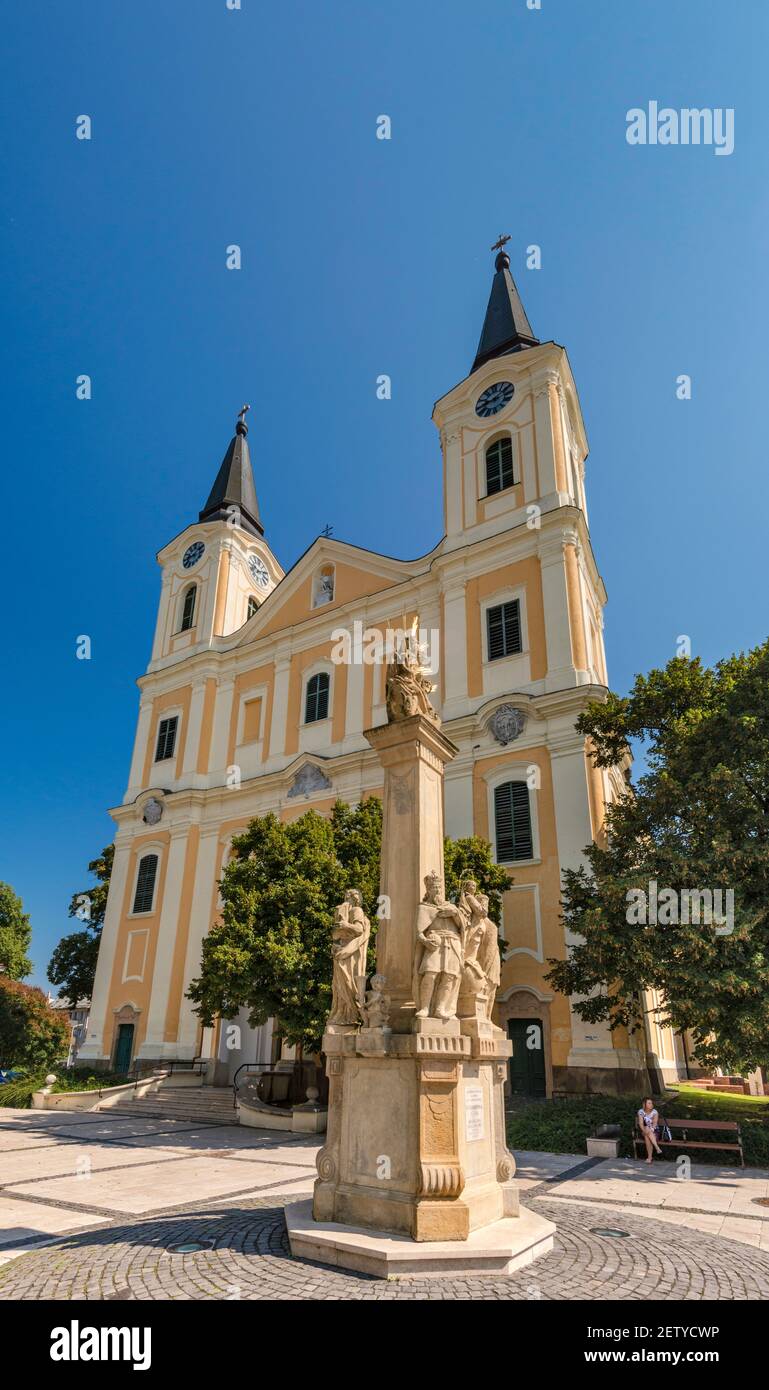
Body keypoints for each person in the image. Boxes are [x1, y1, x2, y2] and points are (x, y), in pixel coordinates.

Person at [637, 1096, 662, 1163]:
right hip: (643, 1130)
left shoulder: (655, 1112)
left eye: (651, 1103)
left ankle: (649, 1158)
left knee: (647, 1136)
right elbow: (641, 1124)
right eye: (649, 1103)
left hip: (655, 1131)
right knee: (646, 1129)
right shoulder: (641, 1112)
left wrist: (651, 1130)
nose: (651, 1105)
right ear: (644, 1104)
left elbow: (655, 1123)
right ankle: (657, 1147)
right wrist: (645, 1131)